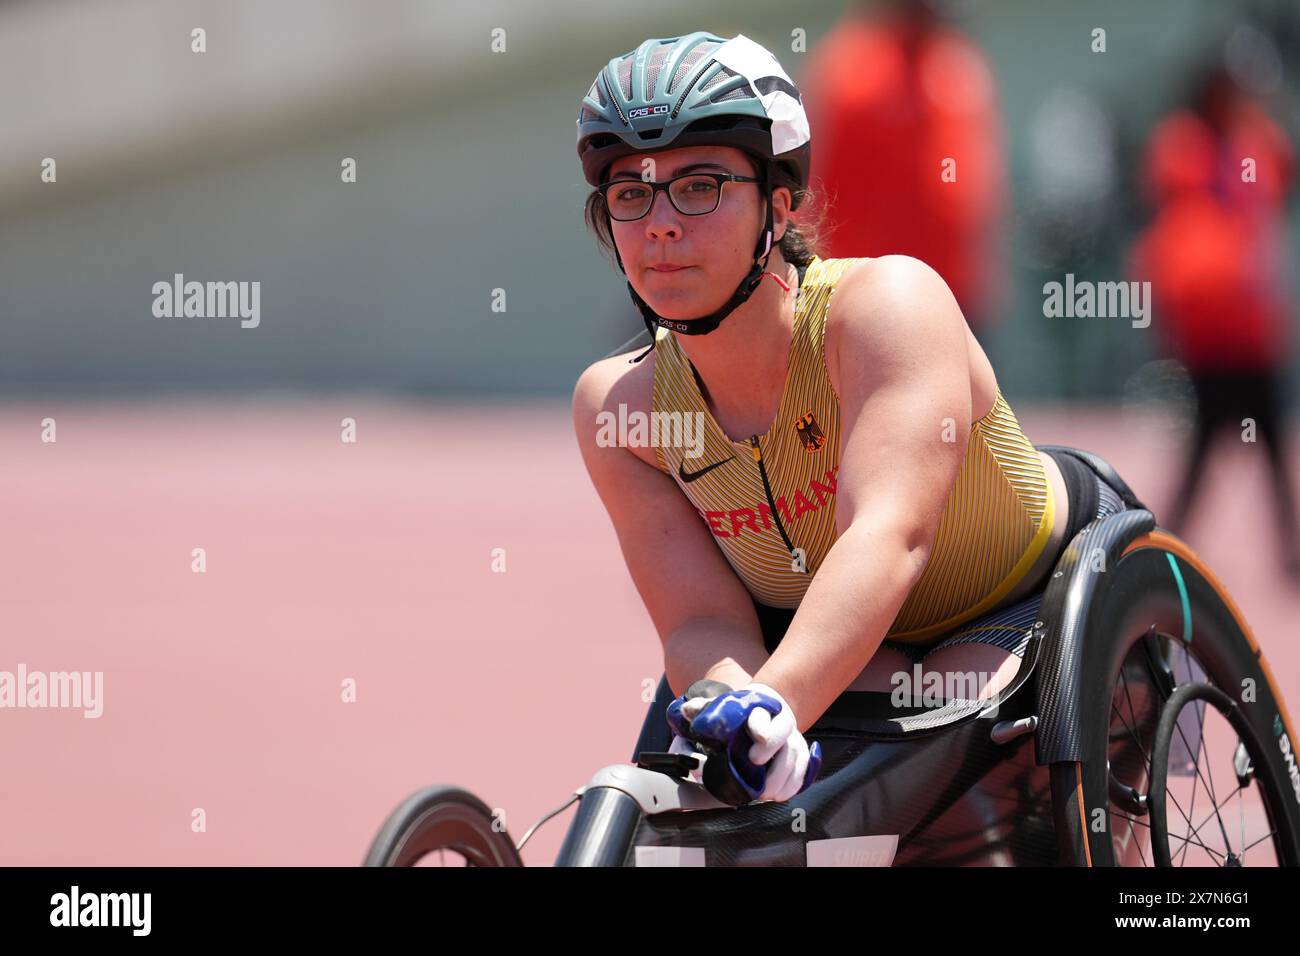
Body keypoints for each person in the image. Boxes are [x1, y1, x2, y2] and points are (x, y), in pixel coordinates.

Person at [570, 32, 1124, 803]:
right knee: (715, 768)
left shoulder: (884, 309)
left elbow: (887, 535)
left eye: (699, 186)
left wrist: (780, 703)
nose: (660, 223)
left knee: (935, 725)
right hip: (855, 647)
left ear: (778, 203)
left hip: (1019, 595)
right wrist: (737, 706)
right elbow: (699, 620)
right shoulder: (620, 409)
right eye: (631, 192)